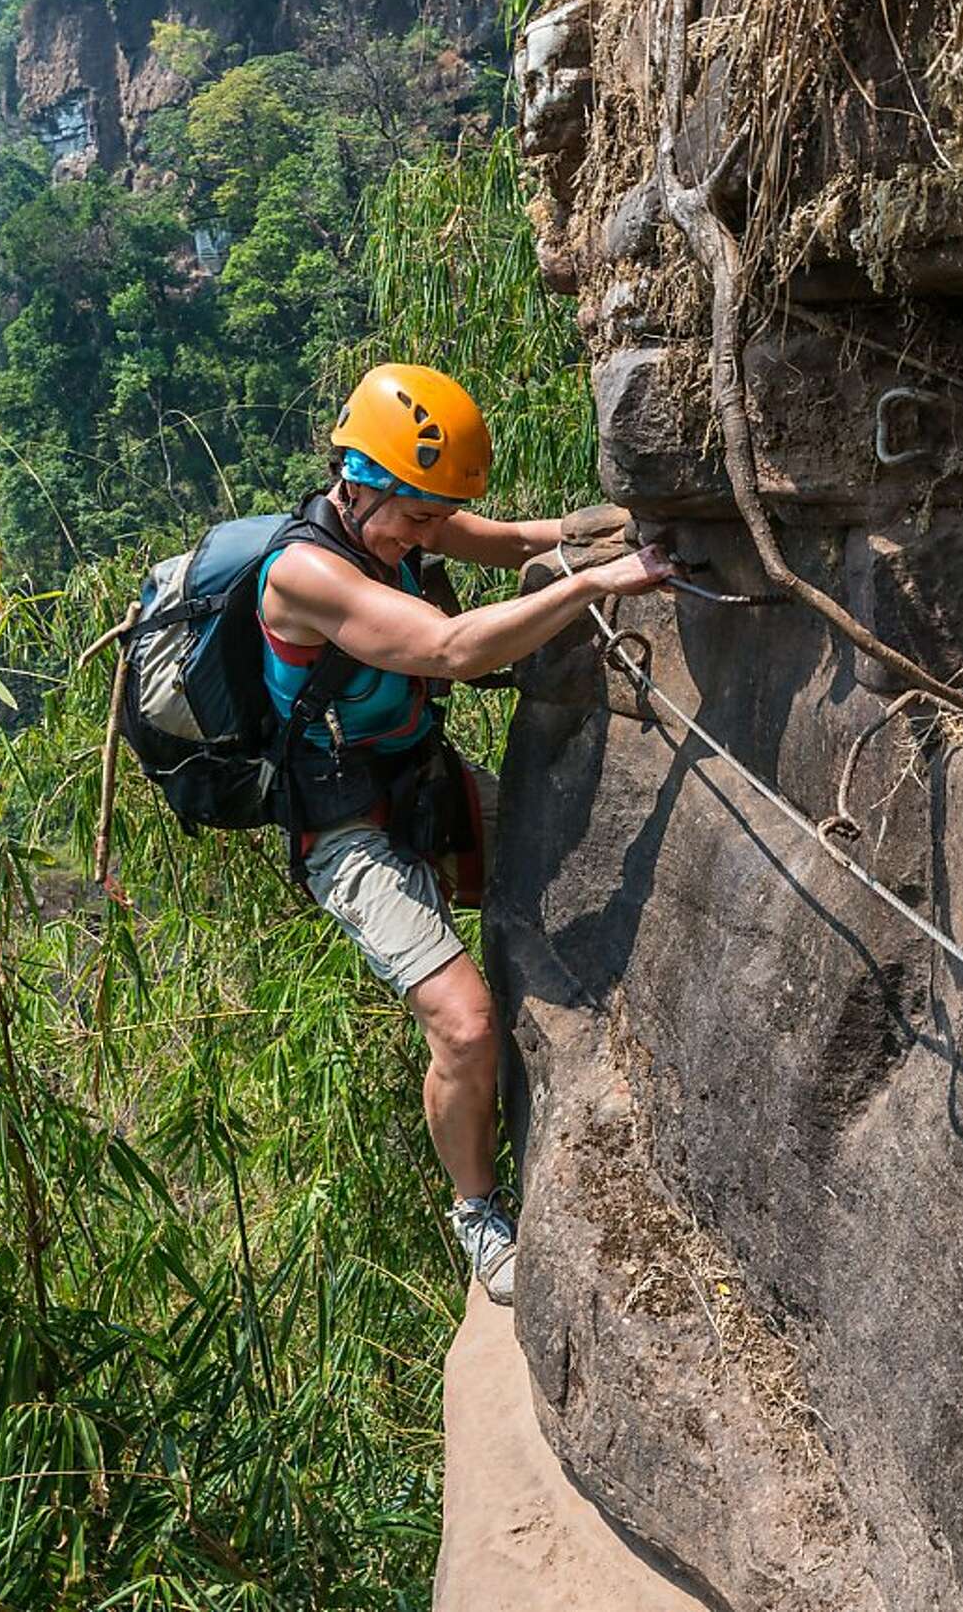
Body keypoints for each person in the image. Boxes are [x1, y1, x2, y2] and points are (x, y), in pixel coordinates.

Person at [259, 363, 671, 1304]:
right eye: (416, 516)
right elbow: (448, 648)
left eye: (437, 516)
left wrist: (621, 530)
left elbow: (522, 537)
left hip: (422, 783)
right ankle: (478, 1215)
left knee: (561, 859)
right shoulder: (305, 574)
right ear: (357, 482)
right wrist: (601, 582)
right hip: (345, 829)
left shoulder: (401, 521)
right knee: (465, 1023)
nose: (427, 534)